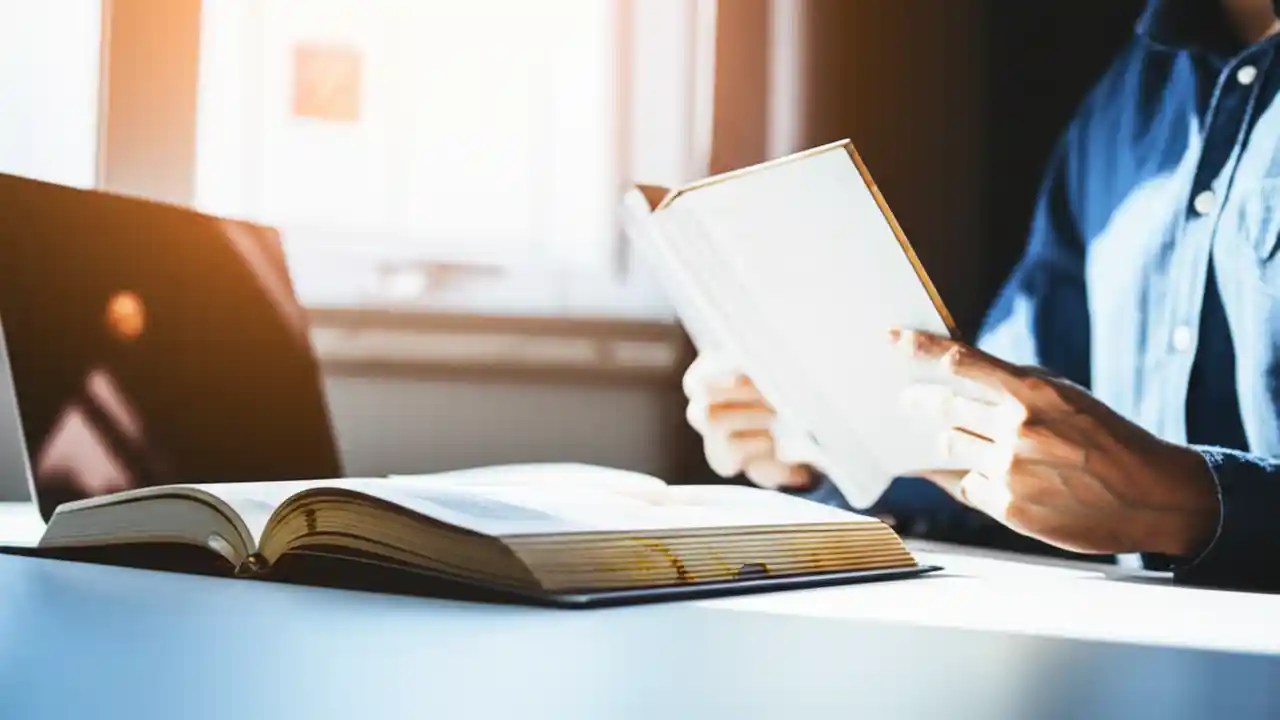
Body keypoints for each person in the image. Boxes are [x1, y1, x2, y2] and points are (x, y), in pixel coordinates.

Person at [683, 0, 1280, 590]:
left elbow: (1125, 487)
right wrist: (825, 443)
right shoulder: (1127, 100)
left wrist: (1187, 503)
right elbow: (1011, 438)